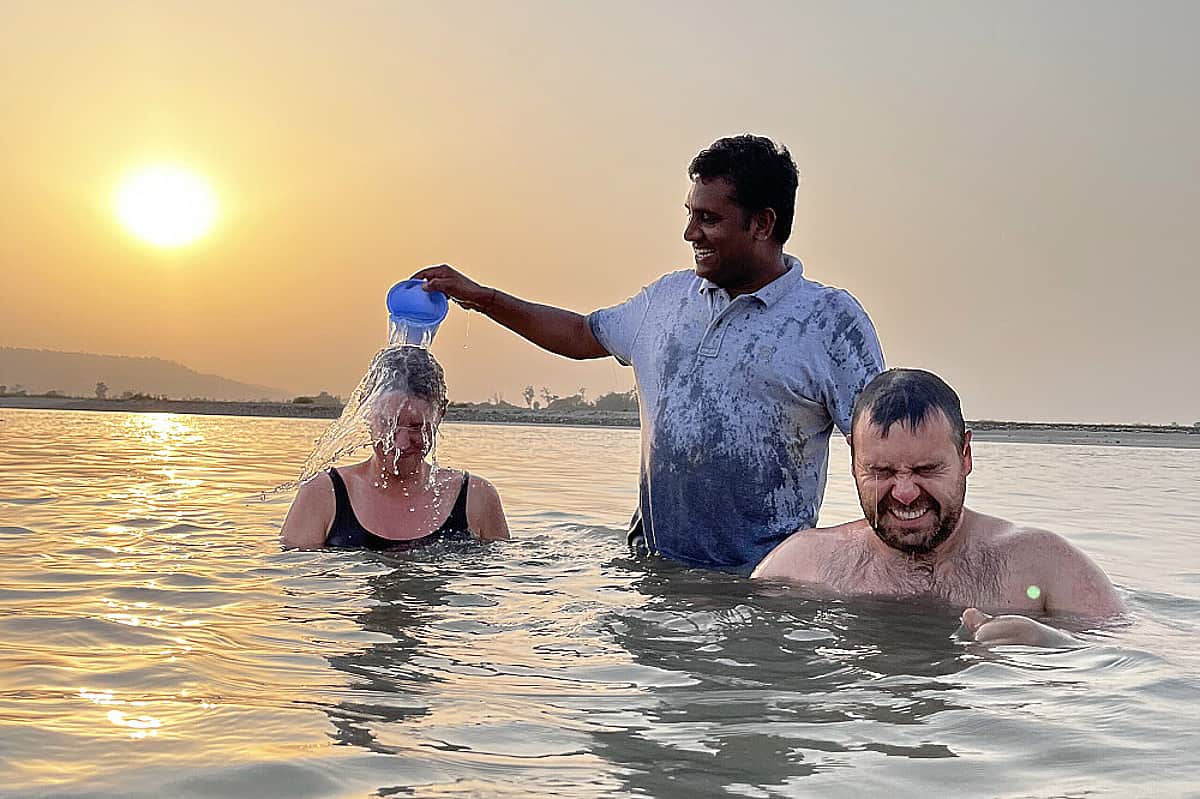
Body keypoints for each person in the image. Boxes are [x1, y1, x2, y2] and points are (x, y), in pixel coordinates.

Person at [413, 135, 883, 572]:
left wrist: (841, 563)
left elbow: (884, 453)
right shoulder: (667, 300)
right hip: (651, 577)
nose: (689, 233)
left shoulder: (829, 321)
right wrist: (483, 298)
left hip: (763, 592)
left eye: (708, 219)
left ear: (763, 223)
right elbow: (580, 334)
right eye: (690, 213)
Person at [752, 368, 1125, 646]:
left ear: (965, 456)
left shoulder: (1046, 565)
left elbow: (1131, 657)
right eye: (881, 472)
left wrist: (1052, 644)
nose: (905, 493)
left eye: (926, 470)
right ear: (853, 463)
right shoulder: (798, 566)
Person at [280, 346, 509, 549]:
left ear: (439, 415)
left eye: (416, 426)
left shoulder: (476, 497)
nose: (399, 443)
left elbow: (503, 581)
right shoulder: (322, 495)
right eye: (388, 424)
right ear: (366, 413)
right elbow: (295, 585)